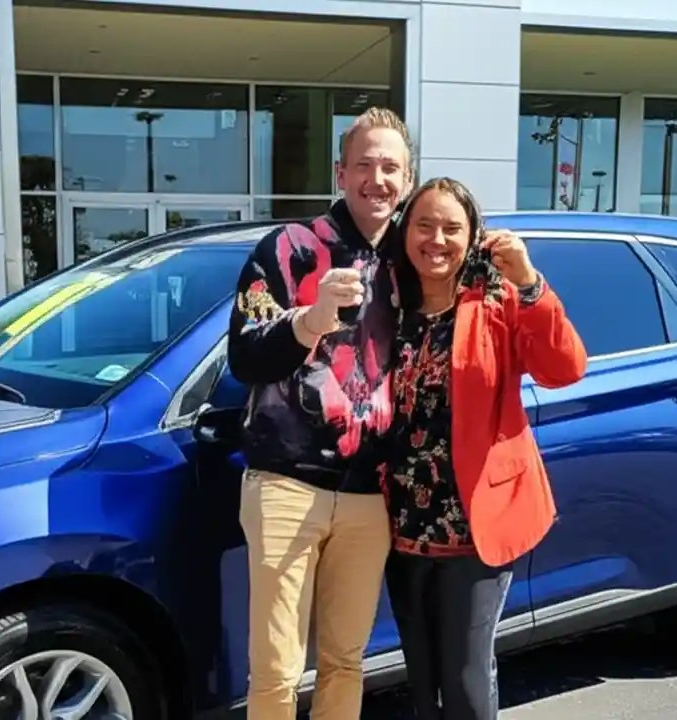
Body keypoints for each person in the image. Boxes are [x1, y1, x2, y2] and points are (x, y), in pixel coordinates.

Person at [226, 107, 412, 719]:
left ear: (407, 180)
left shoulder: (411, 262)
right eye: (364, 164)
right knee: (277, 671)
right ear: (341, 173)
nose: (376, 179)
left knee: (345, 661)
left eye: (390, 167)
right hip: (286, 484)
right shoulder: (287, 249)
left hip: (368, 494)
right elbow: (246, 358)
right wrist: (310, 320)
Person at [378, 177, 587, 720]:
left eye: (452, 227)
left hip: (472, 524)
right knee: (420, 680)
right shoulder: (390, 307)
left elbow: (564, 368)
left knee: (466, 676)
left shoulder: (495, 300)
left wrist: (529, 281)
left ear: (472, 236)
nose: (437, 239)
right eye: (424, 225)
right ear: (405, 233)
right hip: (402, 525)